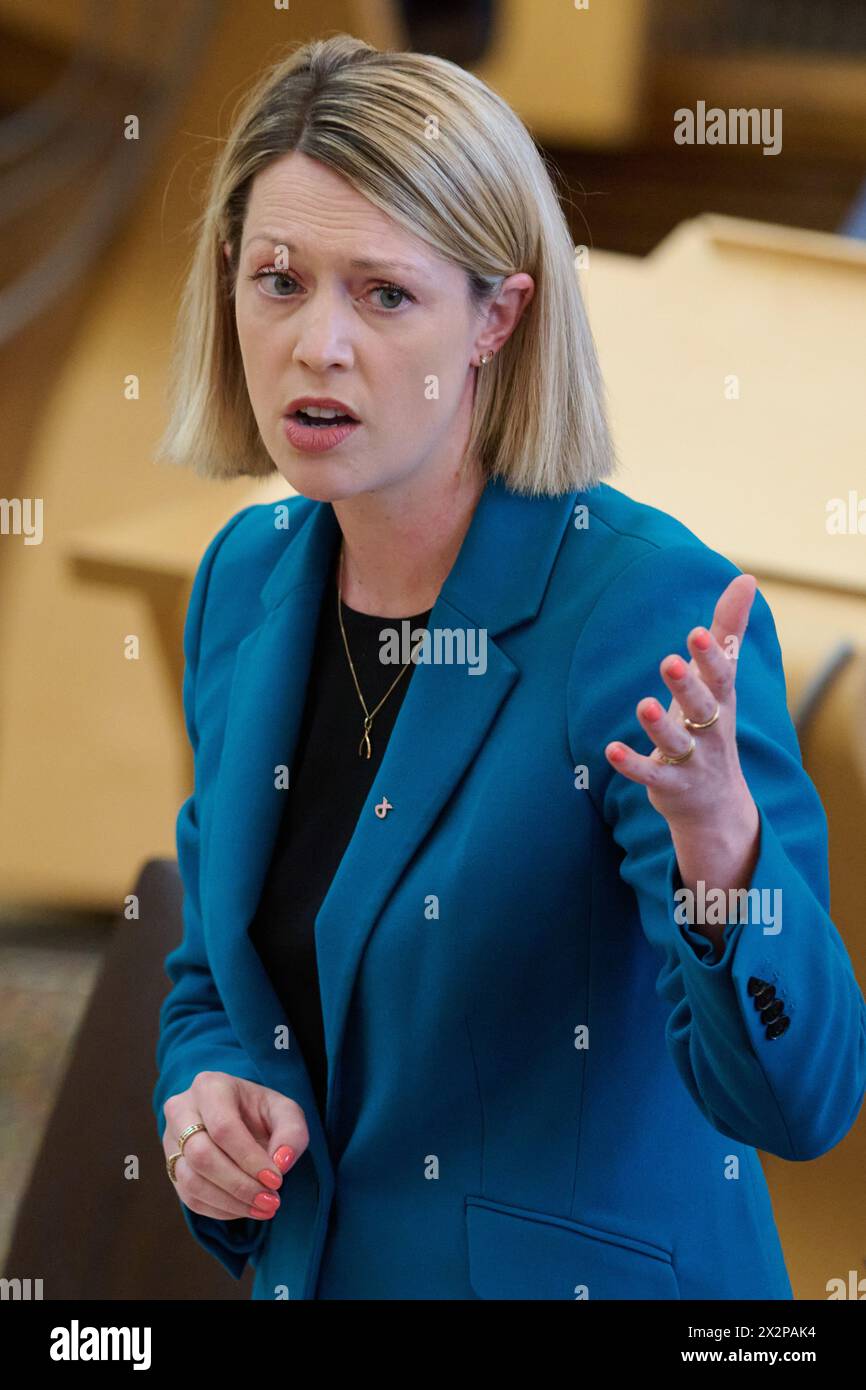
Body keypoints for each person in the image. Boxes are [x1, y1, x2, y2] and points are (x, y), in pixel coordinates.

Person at [151, 33, 866, 1300]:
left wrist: (719, 842)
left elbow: (798, 1100)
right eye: (278, 281)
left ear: (496, 315)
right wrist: (208, 1103)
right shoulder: (243, 579)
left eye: (383, 295)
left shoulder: (649, 610)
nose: (318, 344)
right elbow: (220, 974)